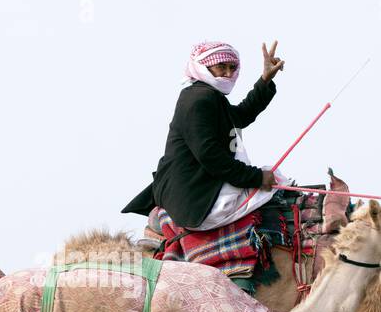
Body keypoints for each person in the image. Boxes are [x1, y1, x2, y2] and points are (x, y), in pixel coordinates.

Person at [122, 39, 286, 231]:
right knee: (275, 184)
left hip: (199, 189)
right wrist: (257, 177)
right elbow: (210, 155)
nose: (227, 73)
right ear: (204, 67)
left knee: (273, 180)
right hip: (194, 199)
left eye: (232, 68)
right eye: (221, 67)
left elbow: (240, 116)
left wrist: (265, 80)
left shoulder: (209, 96)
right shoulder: (199, 99)